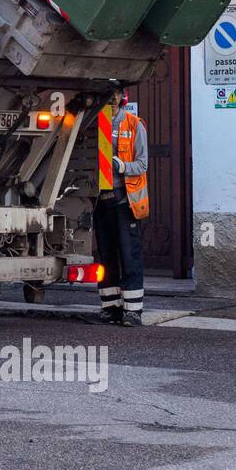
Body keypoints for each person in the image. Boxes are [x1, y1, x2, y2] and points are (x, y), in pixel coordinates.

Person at [95, 86, 149, 326]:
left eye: (116, 92)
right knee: (105, 256)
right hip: (99, 201)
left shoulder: (134, 124)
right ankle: (111, 306)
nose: (113, 97)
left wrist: (122, 166)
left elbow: (143, 164)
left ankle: (133, 310)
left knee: (129, 255)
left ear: (123, 96)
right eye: (109, 92)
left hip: (124, 201)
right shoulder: (94, 123)